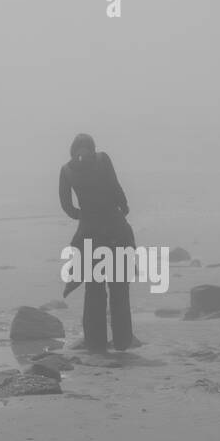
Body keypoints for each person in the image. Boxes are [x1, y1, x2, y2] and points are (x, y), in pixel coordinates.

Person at [59, 134, 136, 353]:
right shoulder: (102, 160)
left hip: (90, 235)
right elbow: (115, 187)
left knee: (94, 291)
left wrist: (82, 215)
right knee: (119, 289)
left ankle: (96, 342)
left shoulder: (66, 171)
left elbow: (66, 205)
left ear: (72, 150)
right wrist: (123, 207)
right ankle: (122, 342)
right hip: (116, 231)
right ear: (92, 148)